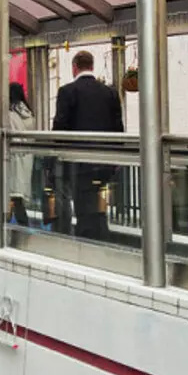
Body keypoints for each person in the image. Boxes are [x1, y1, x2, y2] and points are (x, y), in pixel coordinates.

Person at [52, 51, 125, 239]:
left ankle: (89, 242)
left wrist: (57, 154)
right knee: (99, 203)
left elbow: (60, 126)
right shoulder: (110, 92)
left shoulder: (67, 91)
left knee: (83, 206)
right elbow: (118, 128)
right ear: (92, 66)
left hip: (79, 163)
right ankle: (102, 237)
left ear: (74, 67)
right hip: (105, 162)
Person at [6, 83, 36, 226]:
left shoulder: (8, 114)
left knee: (10, 193)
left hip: (12, 157)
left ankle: (7, 224)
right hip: (27, 156)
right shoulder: (29, 113)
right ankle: (22, 223)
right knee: (18, 195)